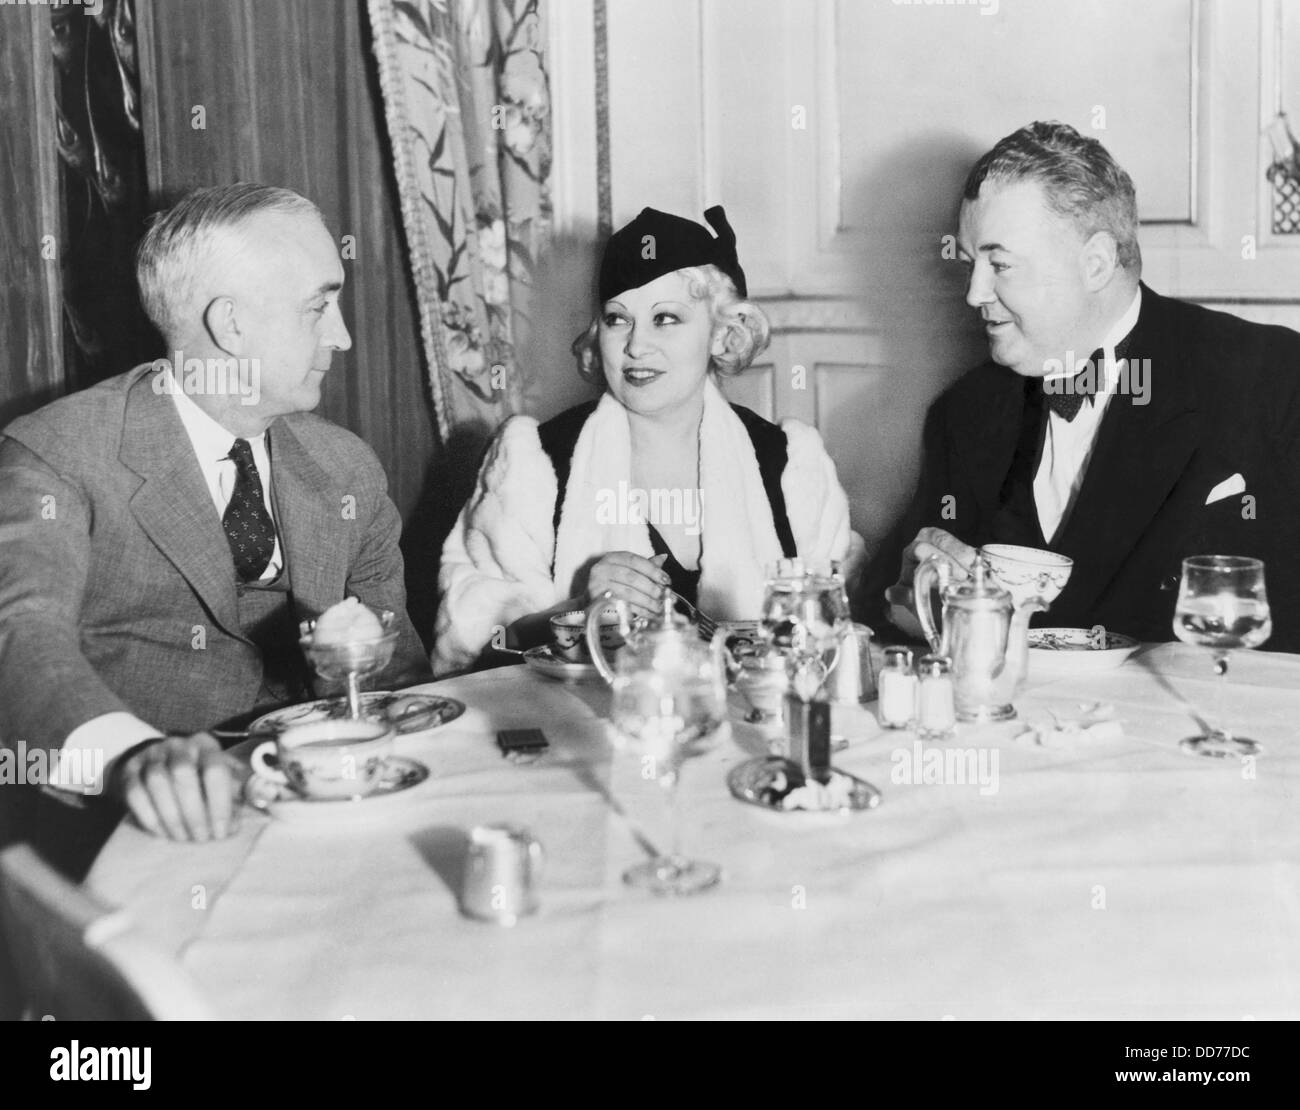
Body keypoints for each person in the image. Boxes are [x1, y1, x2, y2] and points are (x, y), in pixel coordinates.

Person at [0, 183, 431, 863]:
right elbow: (19, 641)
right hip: (137, 837)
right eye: (319, 307)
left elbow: (404, 686)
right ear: (230, 326)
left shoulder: (348, 469)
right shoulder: (57, 456)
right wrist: (134, 761)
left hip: (329, 830)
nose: (343, 336)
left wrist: (349, 674)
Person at [866, 121, 1300, 652]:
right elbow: (896, 609)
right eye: (970, 262)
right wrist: (914, 596)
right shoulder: (964, 413)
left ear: (1094, 264)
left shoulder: (1273, 376)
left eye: (999, 264)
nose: (974, 293)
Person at [434, 206, 859, 674]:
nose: (636, 346)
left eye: (666, 318)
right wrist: (573, 613)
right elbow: (471, 653)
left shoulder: (788, 464)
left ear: (722, 335)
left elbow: (830, 646)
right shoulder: (534, 463)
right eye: (618, 319)